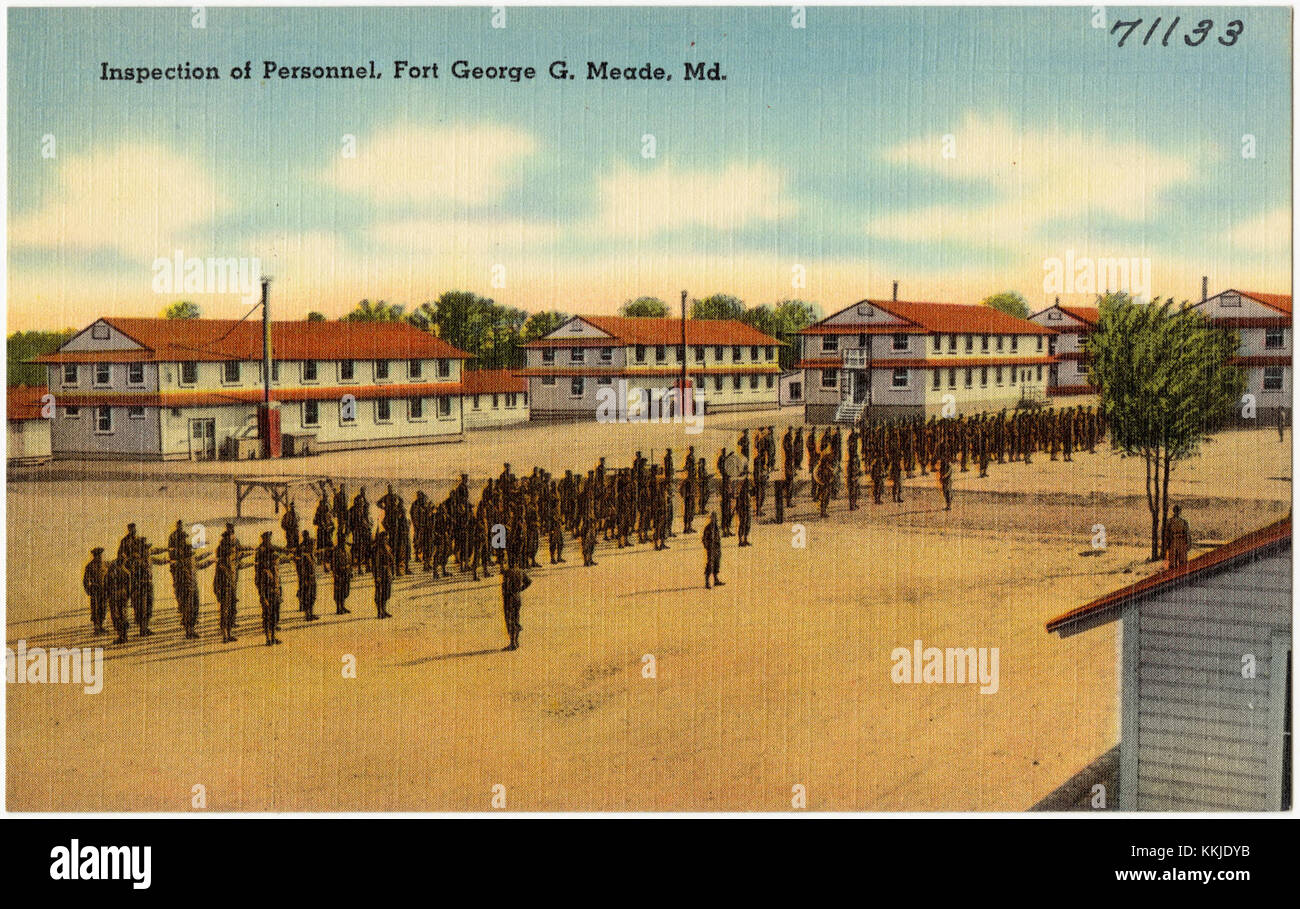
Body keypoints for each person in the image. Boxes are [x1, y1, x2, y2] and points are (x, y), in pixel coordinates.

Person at [254, 531, 283, 646]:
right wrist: (262, 597)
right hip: (267, 594)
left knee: (275, 616)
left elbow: (278, 582)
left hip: (275, 593)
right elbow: (259, 583)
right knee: (267, 616)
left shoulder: (274, 570)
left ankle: (274, 637)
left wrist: (279, 592)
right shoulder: (264, 571)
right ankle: (268, 638)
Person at [214, 523, 240, 643]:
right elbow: (216, 583)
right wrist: (218, 593)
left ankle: (229, 633)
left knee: (231, 611)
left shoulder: (231, 564)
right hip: (225, 591)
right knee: (225, 612)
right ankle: (225, 635)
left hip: (231, 588)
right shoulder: (221, 566)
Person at [499, 565, 532, 651]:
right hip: (517, 597)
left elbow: (506, 586)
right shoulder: (520, 571)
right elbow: (529, 582)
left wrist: (505, 593)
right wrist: (519, 589)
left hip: (509, 598)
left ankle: (512, 643)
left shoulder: (507, 573)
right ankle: (516, 641)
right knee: (516, 618)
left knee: (509, 620)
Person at [104, 554, 133, 644]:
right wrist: (128, 596)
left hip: (114, 596)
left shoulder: (111, 572)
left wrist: (107, 595)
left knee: (116, 616)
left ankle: (121, 635)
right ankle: (124, 635)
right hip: (123, 596)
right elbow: (129, 587)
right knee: (123, 615)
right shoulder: (126, 572)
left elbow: (106, 584)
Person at [83, 547, 107, 634]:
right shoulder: (90, 566)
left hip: (103, 590)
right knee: (96, 609)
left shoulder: (104, 564)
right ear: (95, 556)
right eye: (99, 555)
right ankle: (96, 628)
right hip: (95, 590)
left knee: (103, 608)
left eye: (101, 555)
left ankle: (100, 626)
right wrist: (89, 590)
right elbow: (85, 580)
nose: (100, 557)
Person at [371, 530, 395, 619]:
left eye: (386, 538)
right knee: (379, 593)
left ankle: (384, 610)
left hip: (387, 571)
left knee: (386, 592)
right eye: (384, 538)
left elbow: (391, 560)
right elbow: (374, 564)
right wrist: (376, 576)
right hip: (380, 572)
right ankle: (379, 612)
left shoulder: (387, 547)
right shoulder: (376, 549)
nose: (386, 539)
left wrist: (392, 572)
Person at [297, 529, 319, 621]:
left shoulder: (310, 553)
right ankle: (308, 615)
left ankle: (310, 613)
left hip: (311, 576)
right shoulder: (303, 551)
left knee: (312, 595)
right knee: (307, 595)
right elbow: (300, 567)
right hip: (306, 577)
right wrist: (304, 578)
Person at [1163, 505, 1191, 569]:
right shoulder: (1169, 521)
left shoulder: (1184, 522)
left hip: (1182, 542)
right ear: (1174, 511)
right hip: (1173, 541)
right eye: (1176, 511)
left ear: (1180, 512)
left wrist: (1188, 543)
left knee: (1183, 562)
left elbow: (1187, 533)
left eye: (1178, 511)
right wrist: (1166, 544)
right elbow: (1166, 533)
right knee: (1172, 562)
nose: (1177, 512)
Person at [331, 534, 352, 615]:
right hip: (339, 572)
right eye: (342, 540)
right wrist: (335, 573)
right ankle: (338, 608)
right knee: (338, 591)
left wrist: (350, 571)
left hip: (346, 572)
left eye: (345, 540)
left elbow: (350, 560)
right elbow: (333, 563)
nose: (344, 542)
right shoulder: (336, 550)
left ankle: (343, 606)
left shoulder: (347, 548)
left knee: (345, 590)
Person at [702, 511, 723, 589]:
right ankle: (707, 582)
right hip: (711, 548)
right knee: (710, 564)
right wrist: (708, 547)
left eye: (716, 518)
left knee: (717, 563)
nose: (715, 520)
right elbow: (704, 539)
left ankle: (716, 580)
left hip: (717, 548)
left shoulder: (716, 527)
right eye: (713, 518)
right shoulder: (708, 527)